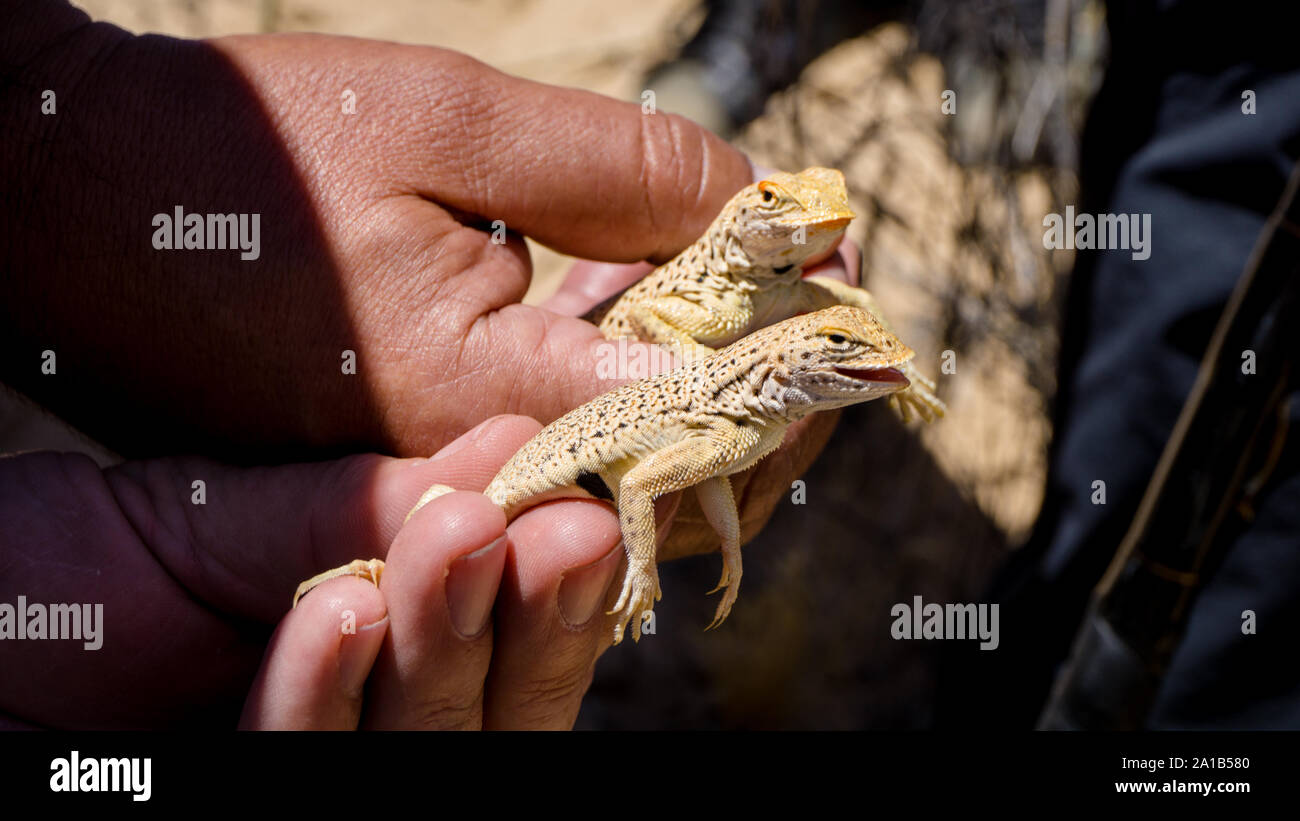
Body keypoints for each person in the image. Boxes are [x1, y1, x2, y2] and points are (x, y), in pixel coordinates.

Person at [0, 1, 859, 728]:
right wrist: (47, 121)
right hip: (561, 451)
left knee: (441, 561)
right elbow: (639, 482)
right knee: (455, 545)